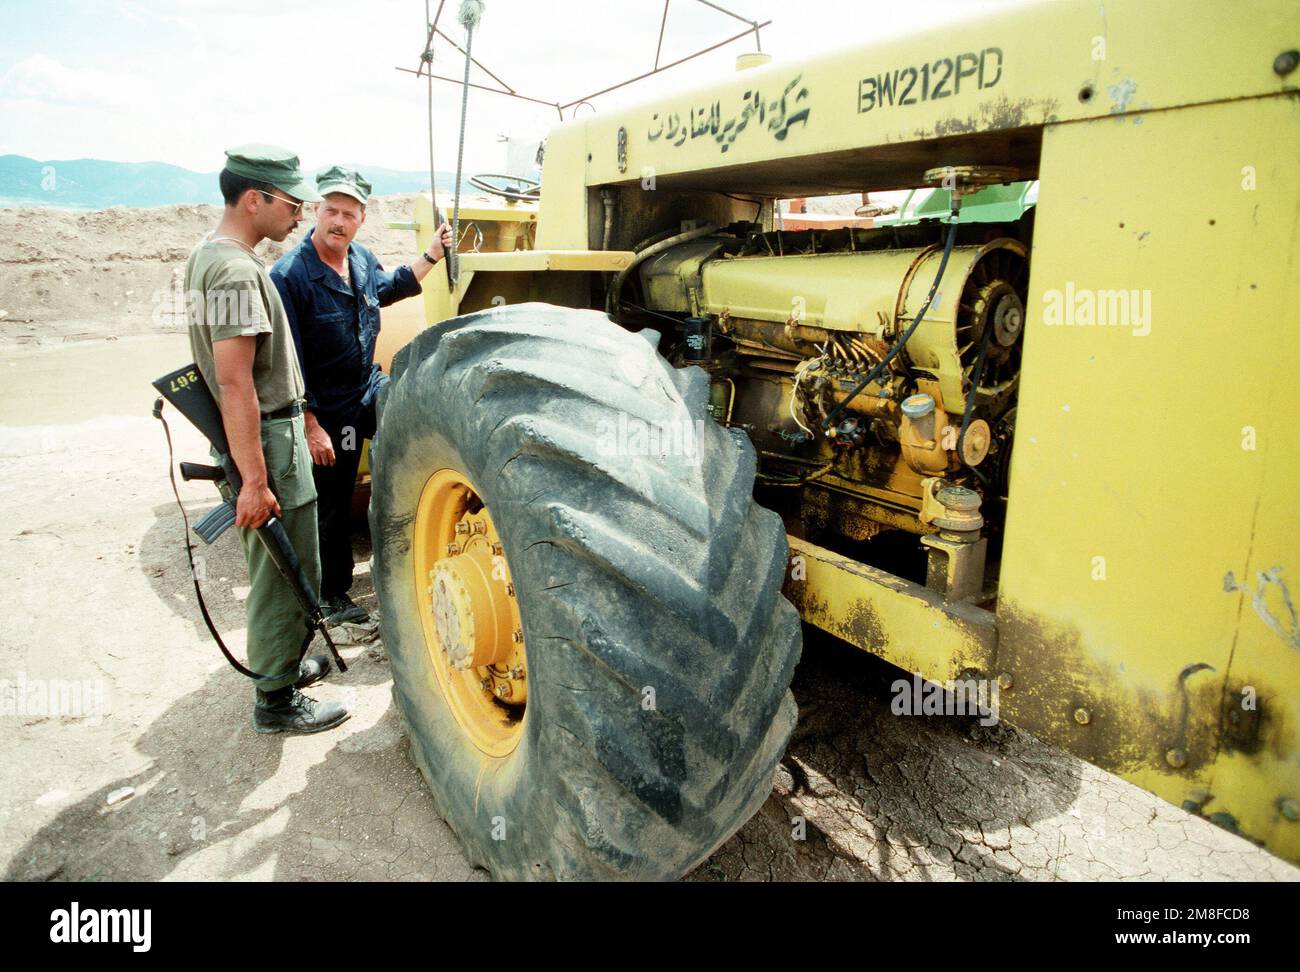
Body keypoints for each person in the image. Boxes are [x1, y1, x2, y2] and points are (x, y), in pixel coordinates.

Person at [185, 145, 349, 734]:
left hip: (262, 439)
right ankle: (276, 701)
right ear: (254, 198)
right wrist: (254, 480)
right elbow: (234, 383)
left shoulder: (212, 255)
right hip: (267, 443)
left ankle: (279, 665)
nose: (301, 215)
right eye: (293, 203)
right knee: (286, 569)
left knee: (278, 565)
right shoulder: (234, 269)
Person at [270, 167, 452, 624]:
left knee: (413, 420)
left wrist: (431, 255)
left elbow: (389, 288)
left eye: (348, 214)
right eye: (331, 210)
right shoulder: (289, 276)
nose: (339, 221)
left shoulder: (361, 260)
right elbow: (283, 360)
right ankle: (332, 595)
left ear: (361, 219)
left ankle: (429, 529)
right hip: (325, 407)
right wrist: (309, 423)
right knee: (331, 503)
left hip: (366, 387)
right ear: (316, 211)